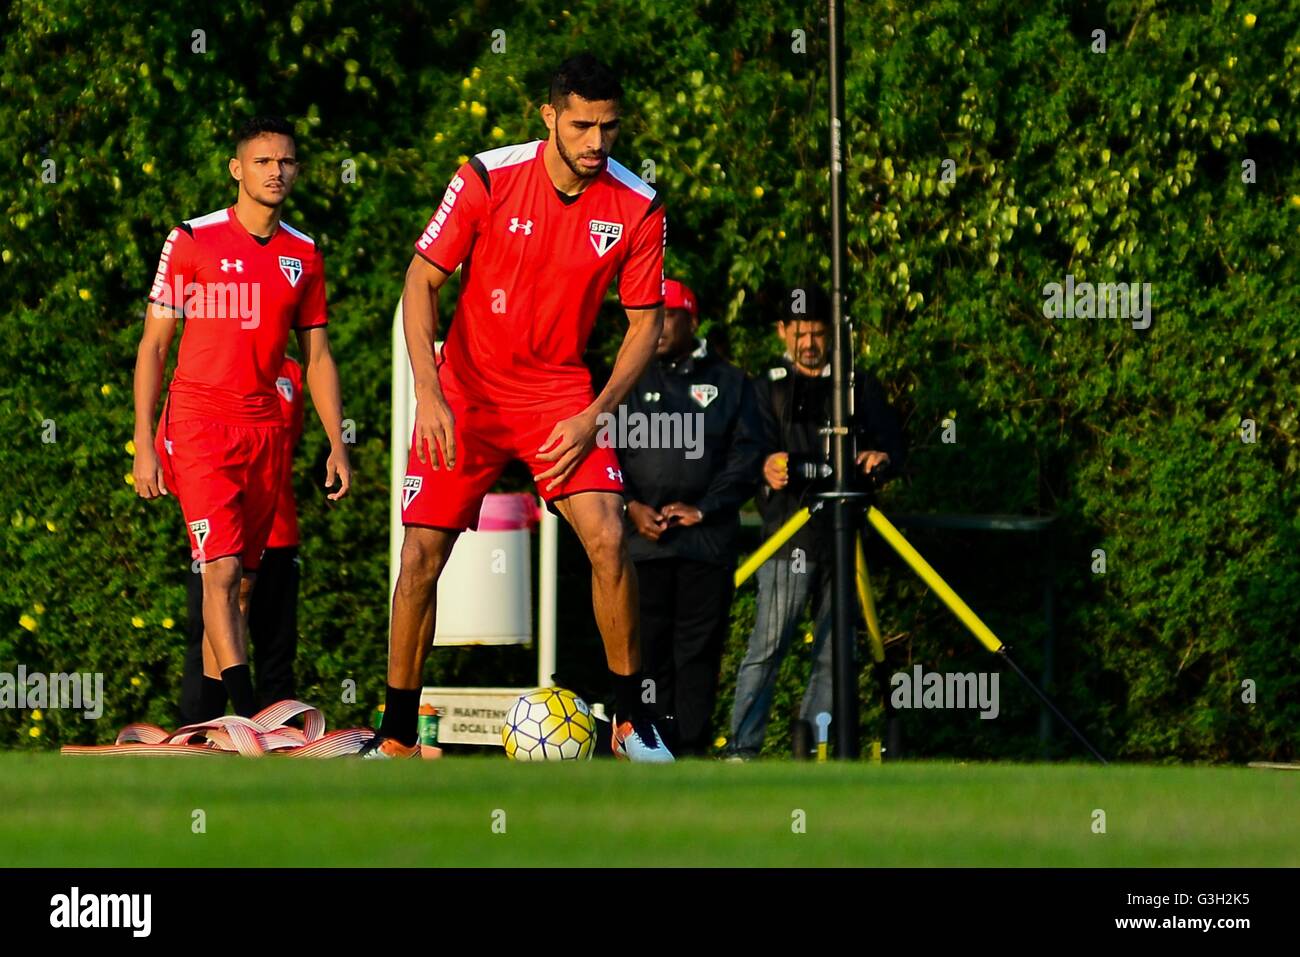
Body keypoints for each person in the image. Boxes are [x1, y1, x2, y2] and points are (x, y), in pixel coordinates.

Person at [366, 54, 672, 760]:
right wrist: (430, 392)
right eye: (583, 125)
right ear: (550, 117)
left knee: (606, 536)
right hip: (467, 390)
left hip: (561, 396)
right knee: (419, 556)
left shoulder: (638, 205)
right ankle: (395, 734)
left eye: (611, 126)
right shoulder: (486, 176)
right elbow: (421, 281)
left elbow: (644, 324)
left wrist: (595, 412)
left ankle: (630, 723)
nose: (598, 142)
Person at [132, 116, 351, 719]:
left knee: (243, 587)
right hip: (198, 422)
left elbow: (318, 353)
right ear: (236, 168)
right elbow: (153, 346)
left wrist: (336, 441)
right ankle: (253, 715)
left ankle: (202, 724)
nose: (275, 172)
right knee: (220, 570)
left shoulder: (303, 253)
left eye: (285, 162)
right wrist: (143, 441)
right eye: (262, 161)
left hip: (266, 431)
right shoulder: (192, 240)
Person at [726, 287, 905, 759]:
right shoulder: (764, 388)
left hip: (847, 543)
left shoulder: (857, 386)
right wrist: (766, 465)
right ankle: (742, 748)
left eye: (818, 334)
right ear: (783, 332)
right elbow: (745, 452)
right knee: (767, 647)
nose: (809, 343)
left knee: (835, 654)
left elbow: (893, 447)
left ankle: (819, 750)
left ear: (833, 335)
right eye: (800, 333)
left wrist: (877, 456)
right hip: (787, 540)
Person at [620, 279, 762, 755]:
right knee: (647, 654)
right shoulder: (627, 379)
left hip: (706, 546)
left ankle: (695, 751)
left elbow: (746, 458)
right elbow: (604, 452)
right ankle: (652, 750)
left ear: (692, 319)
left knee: (697, 655)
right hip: (643, 545)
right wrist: (629, 506)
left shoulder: (731, 382)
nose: (656, 327)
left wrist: (705, 508)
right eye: (650, 316)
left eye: (667, 316)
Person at [179, 354, 304, 722]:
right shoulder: (203, 370)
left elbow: (286, 442)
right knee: (207, 629)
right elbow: (176, 452)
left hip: (277, 531)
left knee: (276, 648)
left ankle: (272, 733)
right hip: (217, 532)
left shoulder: (292, 373)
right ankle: (205, 724)